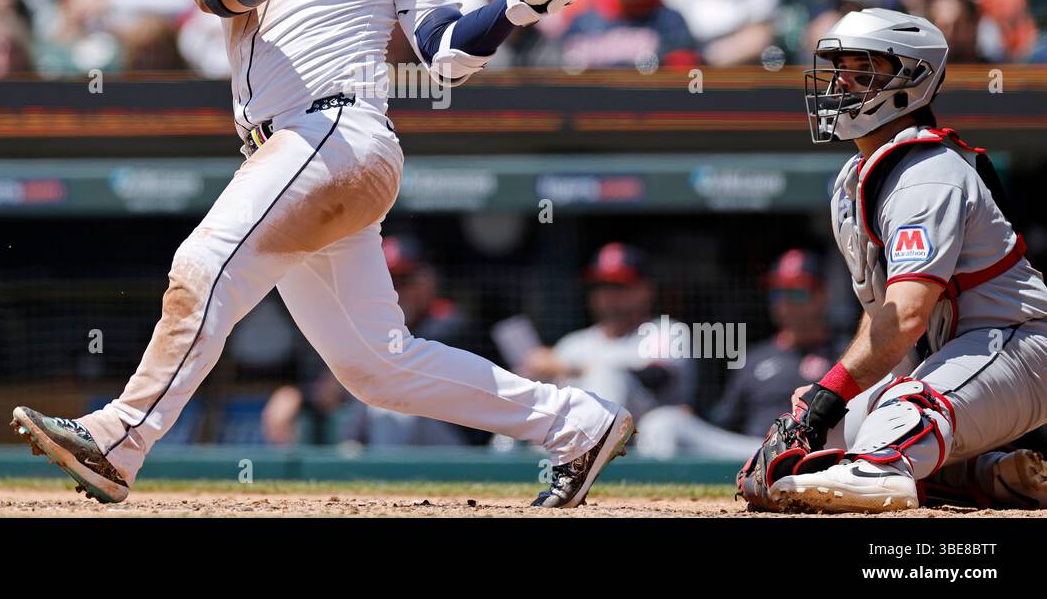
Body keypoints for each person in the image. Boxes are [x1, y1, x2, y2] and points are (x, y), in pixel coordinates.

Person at [12, 0, 633, 508]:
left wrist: (521, 4)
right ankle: (579, 424)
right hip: (286, 154)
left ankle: (120, 437)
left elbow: (446, 55)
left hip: (337, 131)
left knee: (204, 263)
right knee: (378, 368)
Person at [738, 8, 1047, 512]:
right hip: (957, 357)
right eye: (840, 68)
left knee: (902, 412)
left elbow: (905, 317)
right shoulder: (855, 179)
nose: (842, 82)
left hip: (1018, 345)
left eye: (863, 69)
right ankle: (987, 477)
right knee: (808, 450)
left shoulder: (929, 173)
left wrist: (830, 393)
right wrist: (824, 406)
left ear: (913, 79)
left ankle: (887, 468)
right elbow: (884, 313)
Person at [261, 235, 483, 447]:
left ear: (427, 280)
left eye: (404, 280)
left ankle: (381, 472)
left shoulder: (447, 323)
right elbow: (327, 394)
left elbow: (393, 371)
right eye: (387, 281)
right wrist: (299, 395)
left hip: (455, 441)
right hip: (388, 438)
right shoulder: (370, 327)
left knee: (390, 407)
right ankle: (351, 462)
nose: (395, 291)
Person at [636, 249, 848, 461]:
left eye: (798, 292)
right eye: (778, 292)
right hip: (753, 453)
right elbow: (725, 422)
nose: (786, 302)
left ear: (823, 294)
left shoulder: (845, 354)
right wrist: (696, 415)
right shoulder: (756, 358)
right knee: (663, 422)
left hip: (816, 452)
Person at [525, 242, 695, 420]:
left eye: (619, 286)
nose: (608, 295)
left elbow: (655, 378)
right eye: (600, 286)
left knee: (611, 379)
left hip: (647, 431)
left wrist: (571, 368)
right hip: (579, 431)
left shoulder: (666, 331)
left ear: (646, 290)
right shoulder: (573, 344)